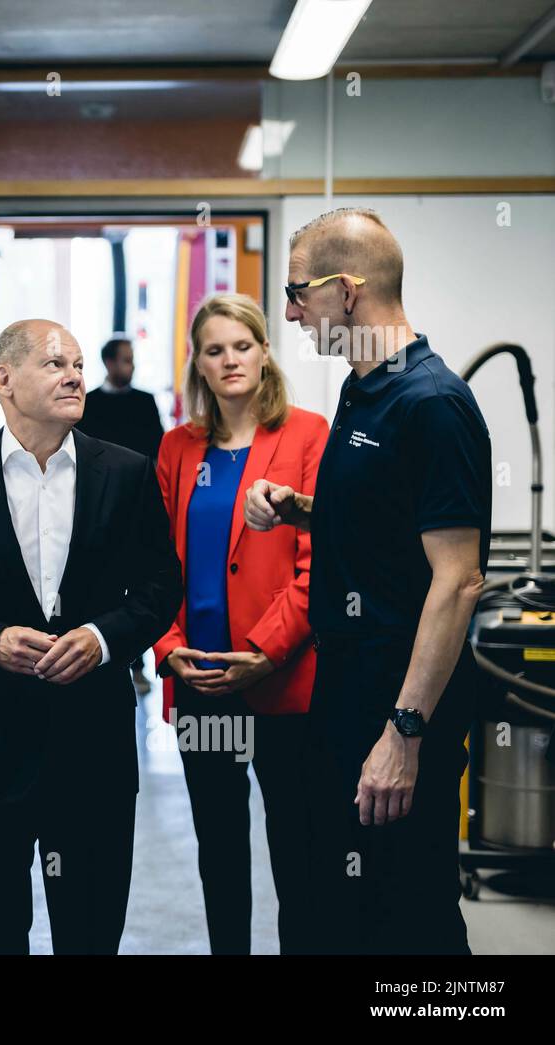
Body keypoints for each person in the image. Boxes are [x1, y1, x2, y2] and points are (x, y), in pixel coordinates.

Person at [245, 208, 491, 954]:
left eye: (296, 293)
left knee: (412, 912)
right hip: (343, 695)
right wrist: (300, 508)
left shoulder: (433, 405)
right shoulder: (363, 387)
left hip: (399, 705)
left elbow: (457, 580)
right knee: (349, 906)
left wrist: (404, 733)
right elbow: (388, 526)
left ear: (345, 292)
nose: (289, 312)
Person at [0, 319, 182, 954]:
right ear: (4, 380)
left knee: (90, 928)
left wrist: (103, 639)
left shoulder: (128, 474)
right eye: (56, 364)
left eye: (78, 364)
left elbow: (162, 589)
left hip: (94, 748)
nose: (76, 375)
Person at [152, 293, 329, 954]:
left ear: (263, 351)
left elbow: (320, 566)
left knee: (299, 855)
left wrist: (264, 651)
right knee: (220, 854)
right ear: (197, 362)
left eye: (242, 345)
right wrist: (169, 648)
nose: (230, 359)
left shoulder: (307, 434)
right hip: (201, 682)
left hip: (283, 687)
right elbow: (156, 565)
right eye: (214, 349)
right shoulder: (177, 447)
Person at [77, 334, 166, 697]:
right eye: (124, 360)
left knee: (140, 580)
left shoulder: (144, 402)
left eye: (132, 360)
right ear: (109, 363)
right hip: (97, 504)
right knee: (106, 581)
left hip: (137, 499)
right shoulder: (91, 403)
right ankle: (104, 657)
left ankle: (139, 664)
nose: (129, 367)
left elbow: (158, 449)